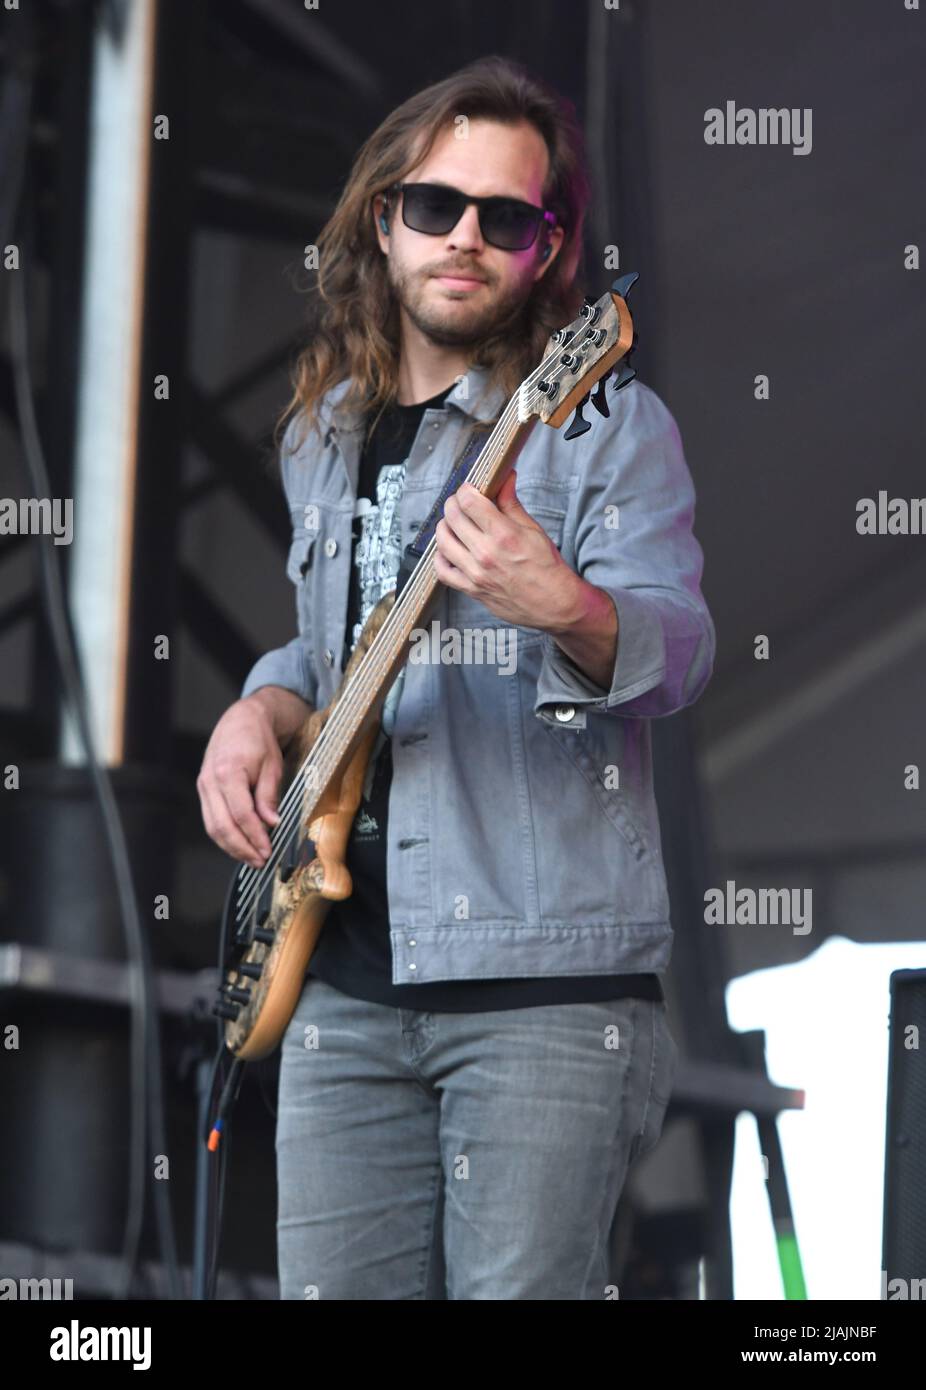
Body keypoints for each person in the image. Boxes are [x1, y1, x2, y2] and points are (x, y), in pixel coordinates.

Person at [197, 55, 715, 1300]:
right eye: (437, 206)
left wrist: (566, 608)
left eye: (508, 218)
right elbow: (329, 654)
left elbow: (680, 649)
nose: (466, 238)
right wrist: (260, 707)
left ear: (550, 249)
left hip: (543, 997)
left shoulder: (598, 425)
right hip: (341, 988)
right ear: (384, 221)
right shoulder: (322, 433)